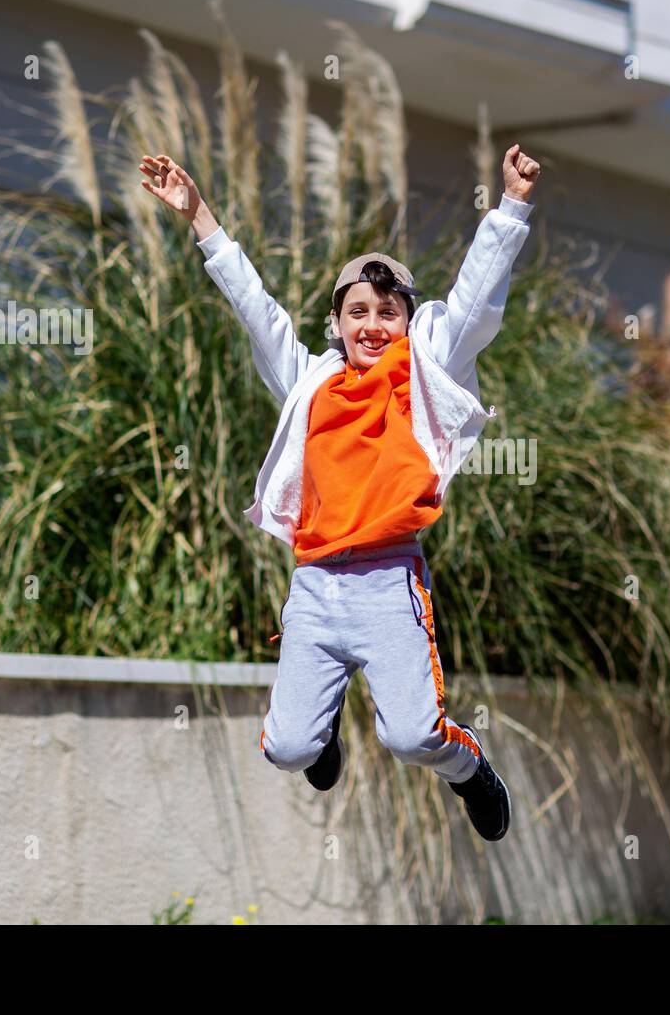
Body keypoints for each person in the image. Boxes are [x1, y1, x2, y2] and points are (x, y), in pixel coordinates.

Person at [139, 144, 541, 842]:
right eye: (358, 310)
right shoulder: (307, 382)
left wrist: (511, 205)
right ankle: (320, 734)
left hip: (389, 582)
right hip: (317, 587)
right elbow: (255, 308)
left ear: (409, 321)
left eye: (389, 310)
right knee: (287, 748)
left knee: (413, 736)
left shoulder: (422, 370)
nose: (372, 324)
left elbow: (475, 297)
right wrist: (198, 213)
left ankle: (468, 766)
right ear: (336, 323)